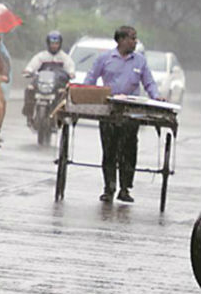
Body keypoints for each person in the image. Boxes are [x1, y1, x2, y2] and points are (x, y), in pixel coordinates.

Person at [84, 25, 164, 203]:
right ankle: (109, 188)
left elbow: (149, 83)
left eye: (135, 38)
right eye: (132, 38)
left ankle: (125, 188)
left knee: (129, 150)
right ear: (121, 40)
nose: (135, 42)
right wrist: (85, 94)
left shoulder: (140, 61)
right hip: (109, 110)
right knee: (109, 150)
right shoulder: (105, 58)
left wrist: (157, 96)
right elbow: (90, 79)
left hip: (131, 112)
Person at [21, 30, 75, 120]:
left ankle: (61, 116)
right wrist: (28, 70)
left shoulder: (65, 58)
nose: (54, 46)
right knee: (29, 89)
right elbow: (32, 66)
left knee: (64, 93)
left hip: (57, 85)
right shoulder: (41, 56)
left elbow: (70, 68)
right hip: (41, 83)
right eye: (52, 43)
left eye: (56, 43)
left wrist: (71, 73)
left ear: (60, 44)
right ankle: (29, 114)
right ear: (48, 44)